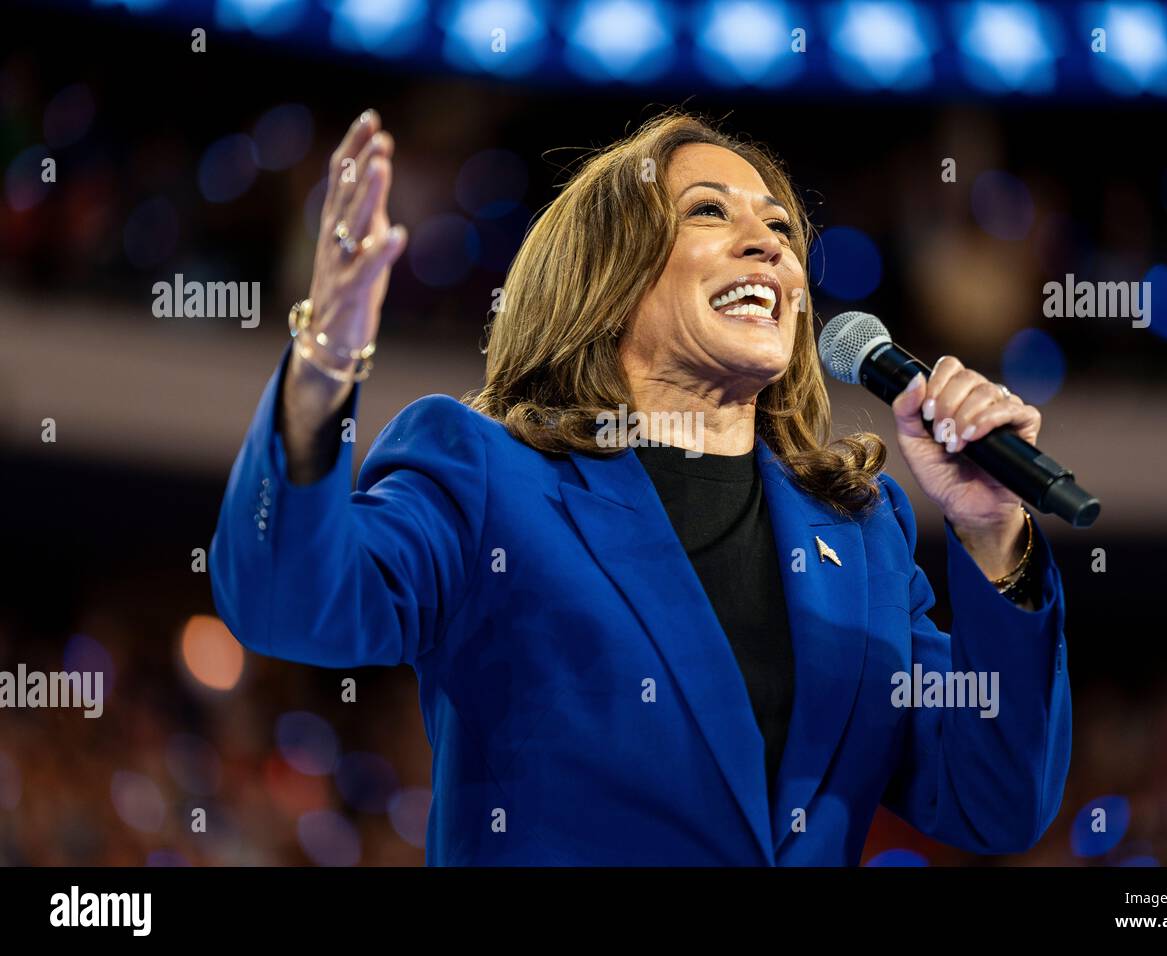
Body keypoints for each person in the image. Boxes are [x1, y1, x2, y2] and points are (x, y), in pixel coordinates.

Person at [210, 108, 1071, 866]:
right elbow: (290, 601)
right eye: (709, 211)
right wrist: (322, 369)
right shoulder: (486, 476)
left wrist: (995, 534)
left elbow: (994, 804)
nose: (769, 242)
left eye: (779, 227)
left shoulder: (862, 536)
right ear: (608, 276)